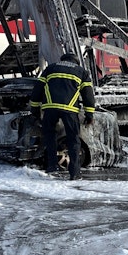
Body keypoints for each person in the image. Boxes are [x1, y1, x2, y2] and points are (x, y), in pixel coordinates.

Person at [30, 51, 96, 180]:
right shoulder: (81, 71)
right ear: (76, 61)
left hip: (50, 108)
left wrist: (35, 110)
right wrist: (89, 114)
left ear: (63, 59)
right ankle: (75, 173)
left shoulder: (51, 68)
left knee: (50, 137)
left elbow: (37, 89)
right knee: (73, 140)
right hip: (70, 110)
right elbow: (88, 95)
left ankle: (52, 167)